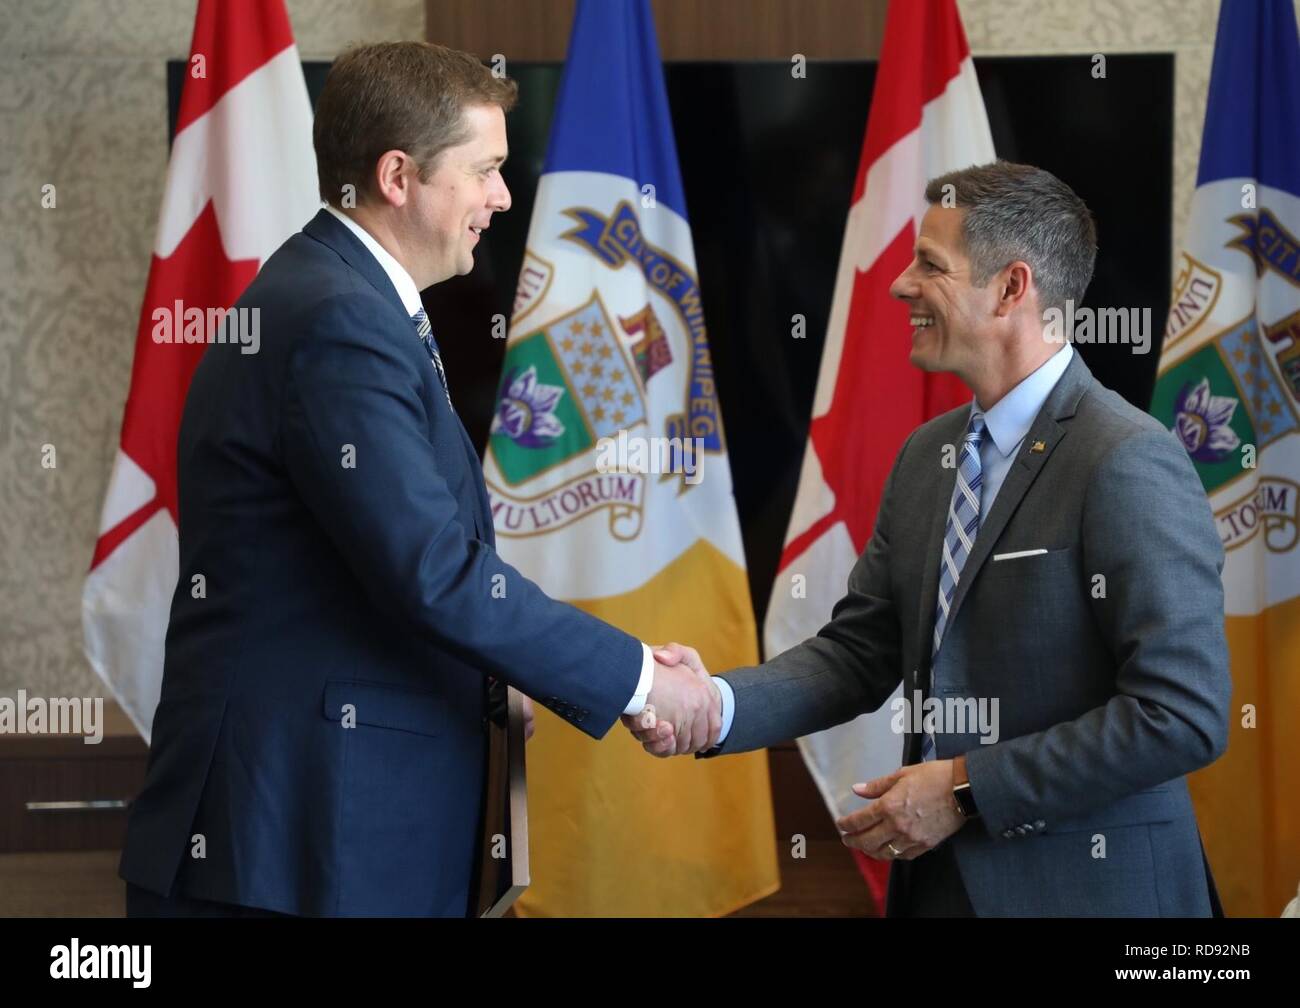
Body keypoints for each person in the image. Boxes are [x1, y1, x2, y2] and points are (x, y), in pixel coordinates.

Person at [120, 41, 718, 918]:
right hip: (293, 839)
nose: (504, 198)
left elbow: (368, 569)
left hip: (315, 832)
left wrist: (498, 672)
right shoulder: (338, 320)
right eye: (487, 171)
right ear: (398, 176)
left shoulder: (341, 297)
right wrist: (637, 678)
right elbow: (432, 569)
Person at [632, 161, 1231, 917]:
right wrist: (713, 703)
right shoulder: (928, 455)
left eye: (930, 264)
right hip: (938, 890)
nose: (900, 285)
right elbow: (858, 653)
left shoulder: (1125, 458)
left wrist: (963, 789)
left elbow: (1183, 715)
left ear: (1012, 289)